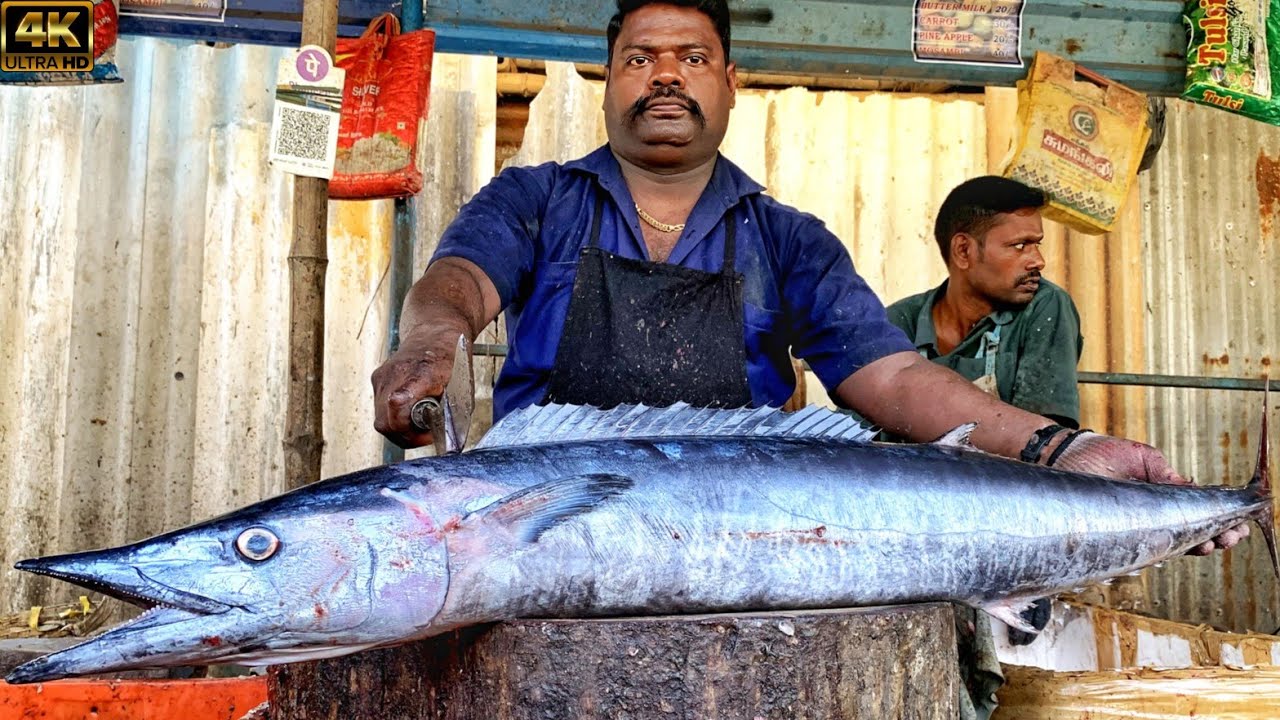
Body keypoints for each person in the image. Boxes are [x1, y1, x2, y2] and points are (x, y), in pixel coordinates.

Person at [371, 0, 1244, 560]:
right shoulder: (537, 198)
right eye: (640, 58)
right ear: (610, 82)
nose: (666, 74)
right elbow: (458, 283)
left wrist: (1062, 449)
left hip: (745, 533)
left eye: (692, 57)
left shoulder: (786, 238)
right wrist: (427, 345)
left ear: (731, 83)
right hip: (549, 522)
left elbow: (895, 377)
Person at [887, 176, 1082, 430]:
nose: (1038, 261)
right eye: (1020, 245)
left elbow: (1041, 440)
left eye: (1037, 244)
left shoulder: (1045, 306)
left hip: (1004, 471)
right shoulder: (898, 322)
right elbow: (857, 440)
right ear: (963, 251)